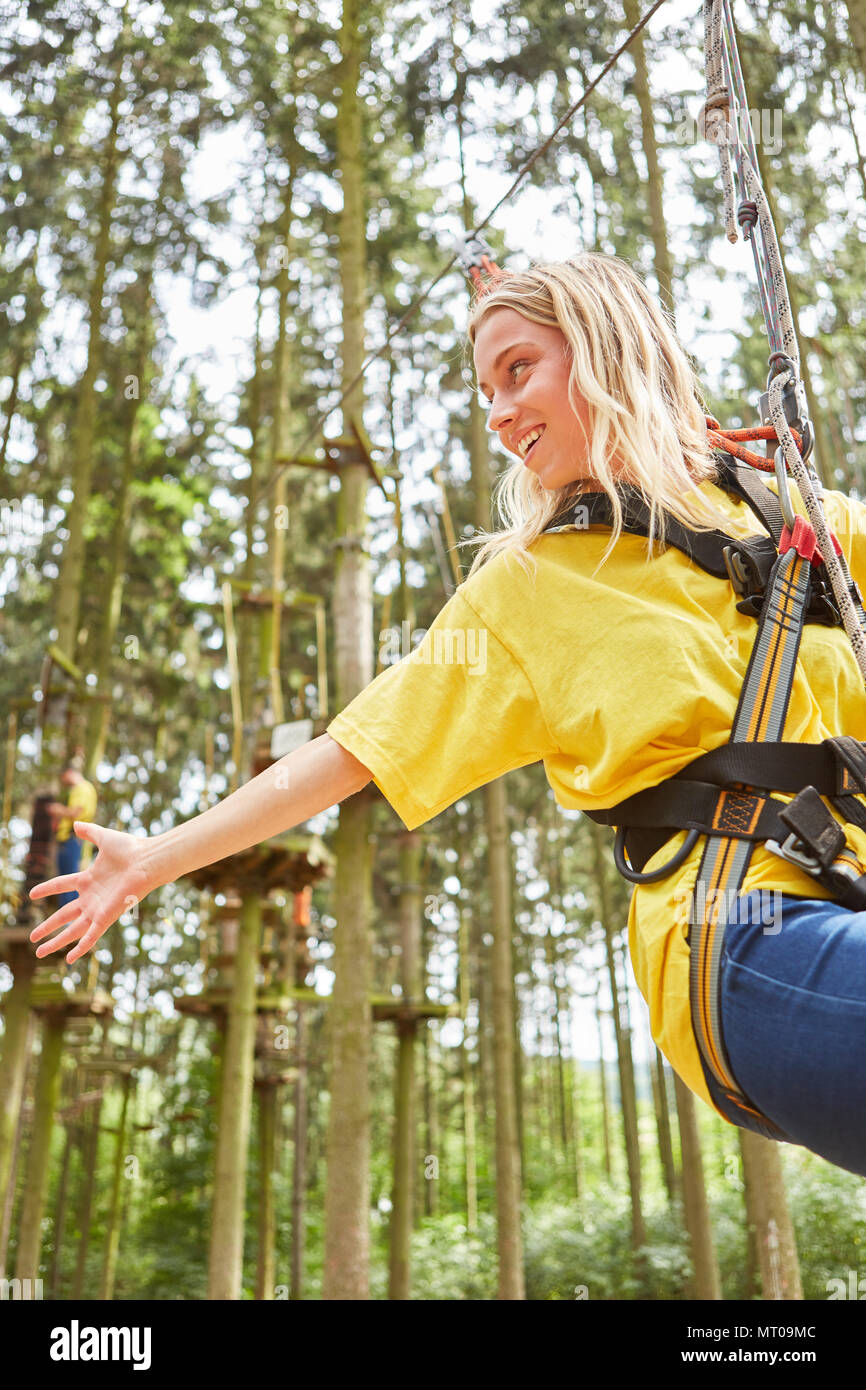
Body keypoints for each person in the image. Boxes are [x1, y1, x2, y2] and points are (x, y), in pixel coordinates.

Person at [28, 252, 866, 1177]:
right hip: (734, 940)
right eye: (486, 389)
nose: (500, 413)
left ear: (608, 346)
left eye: (519, 369)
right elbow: (351, 749)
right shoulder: (527, 588)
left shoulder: (798, 520)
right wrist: (152, 861)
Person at [45, 756, 98, 908]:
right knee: (66, 881)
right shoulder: (82, 789)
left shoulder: (82, 788)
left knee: (70, 881)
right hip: (69, 840)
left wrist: (58, 810)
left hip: (73, 840)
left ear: (68, 773)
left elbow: (75, 812)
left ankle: (71, 918)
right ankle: (68, 917)